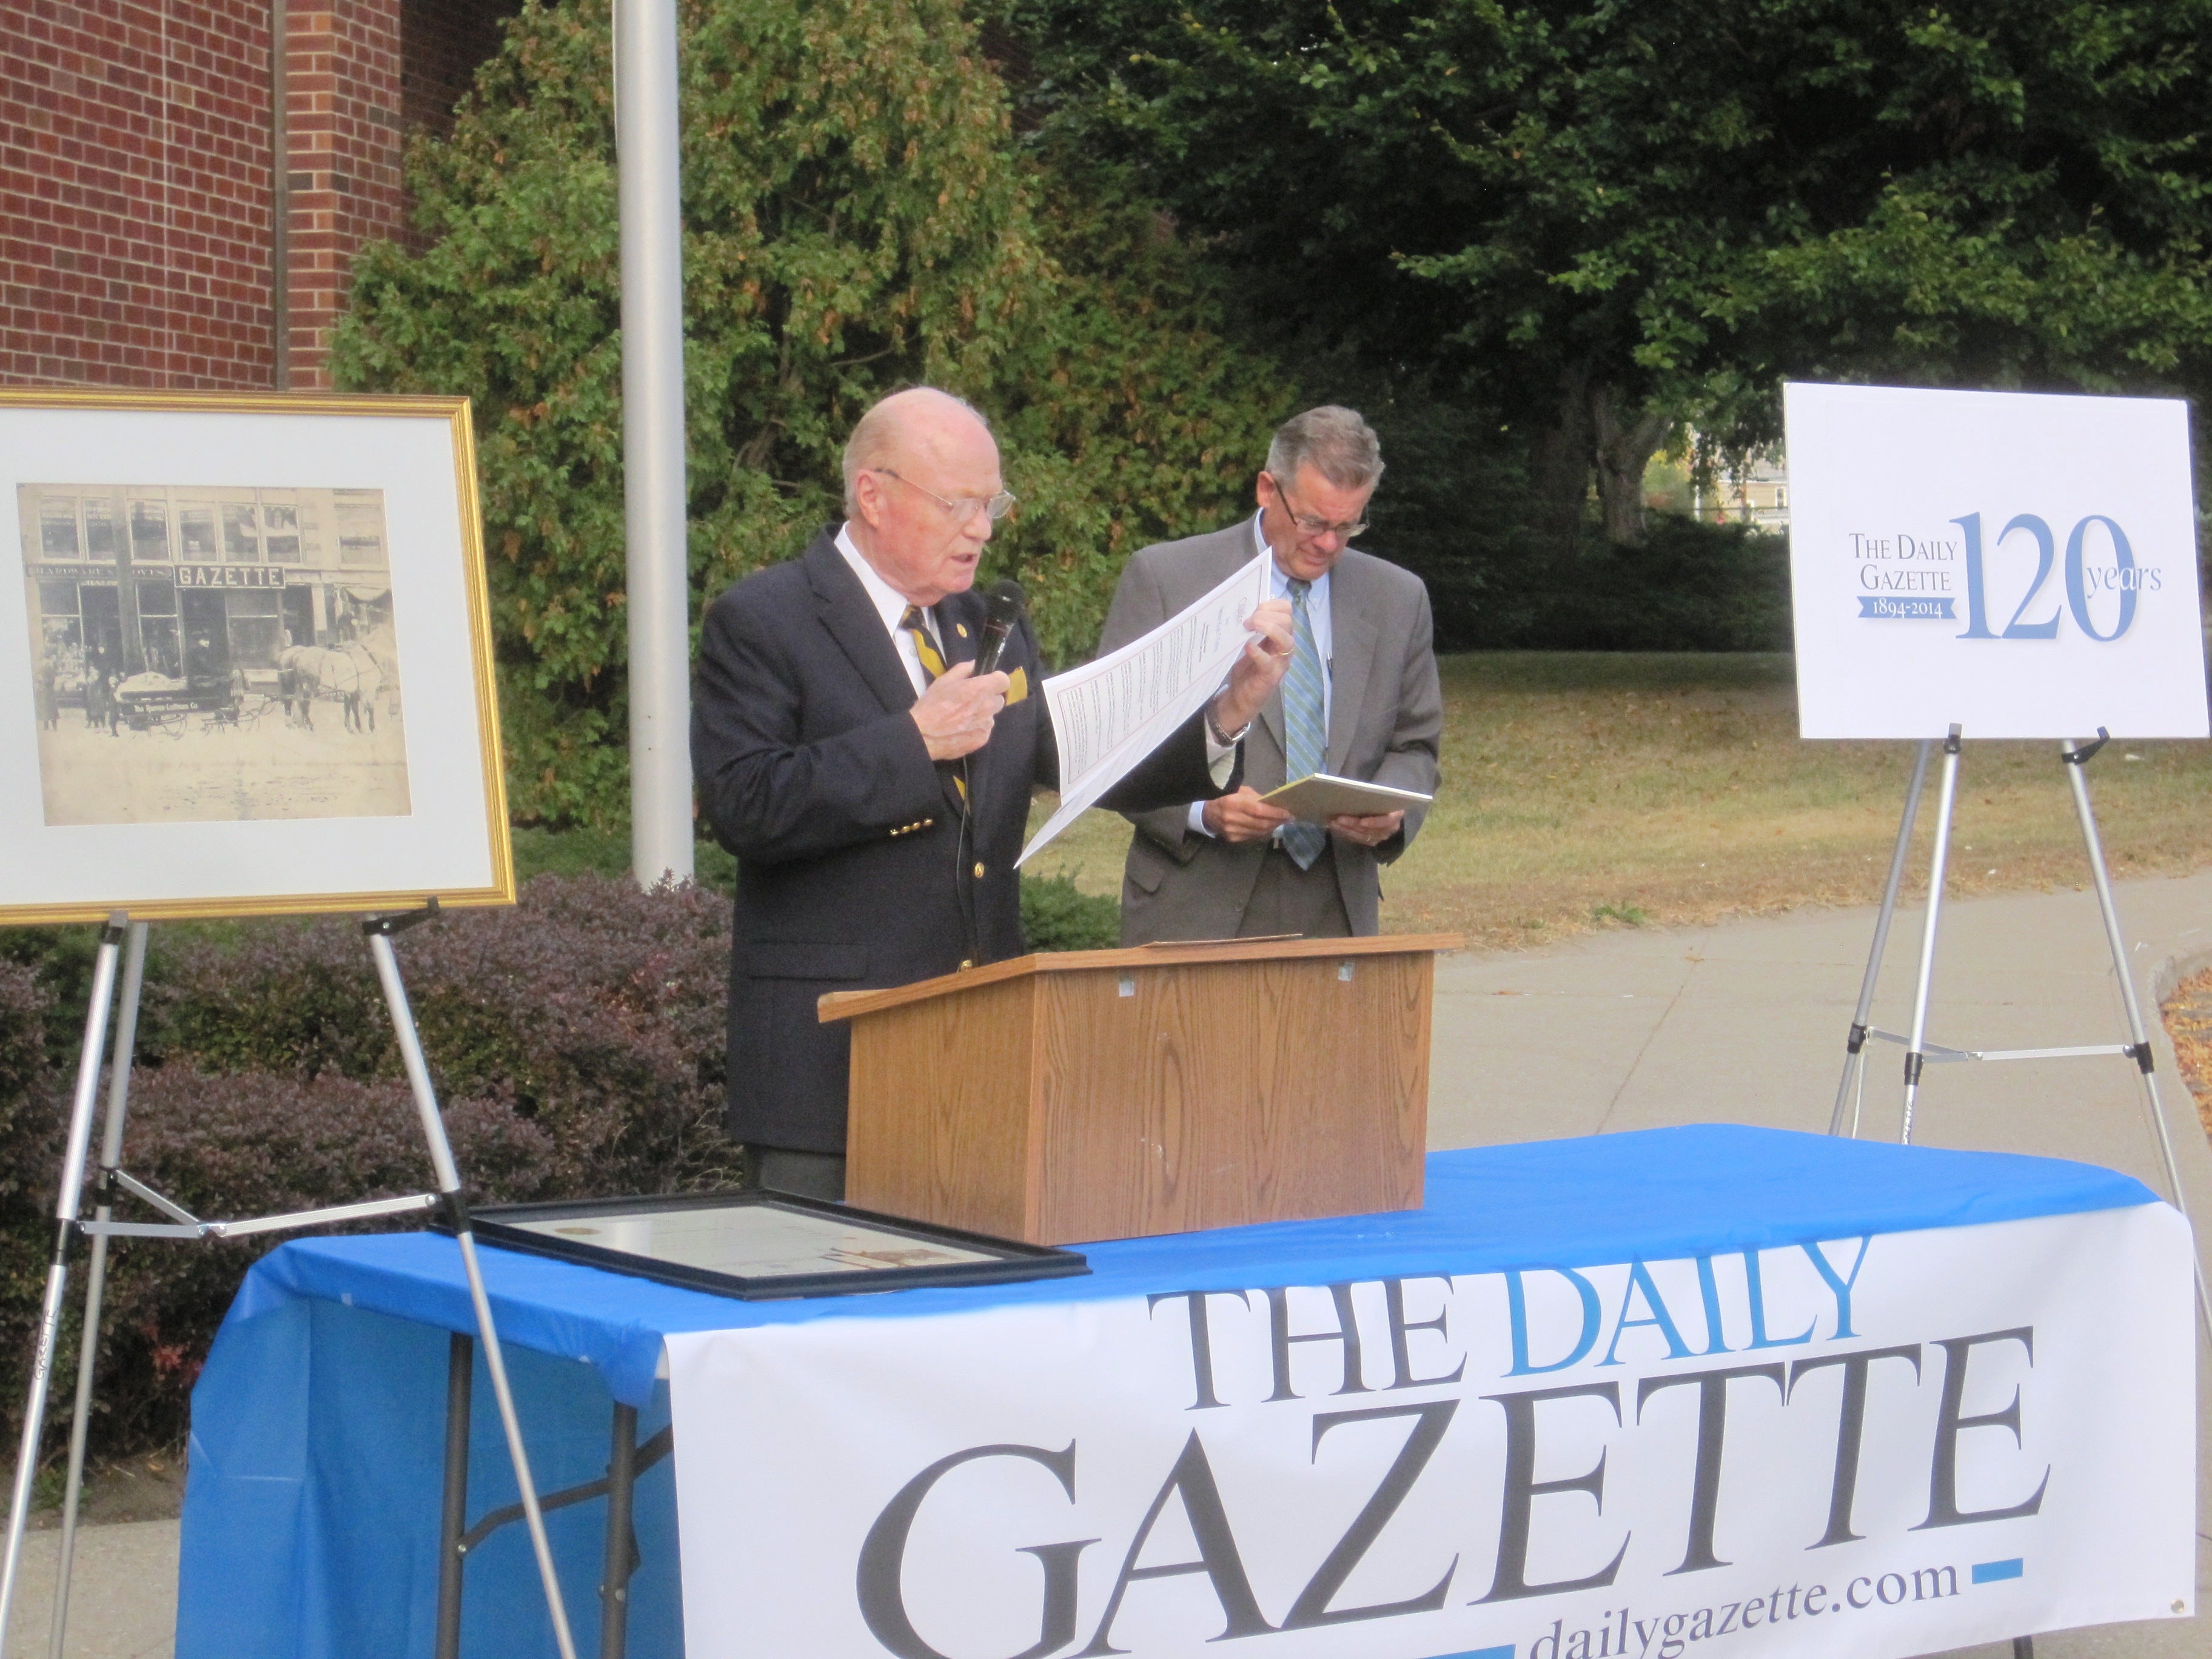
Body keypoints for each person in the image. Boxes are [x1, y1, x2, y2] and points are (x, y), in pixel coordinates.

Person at [692, 386, 1293, 1198]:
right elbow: (743, 803)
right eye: (959, 504)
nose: (982, 528)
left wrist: (1226, 713)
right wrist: (912, 743)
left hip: (982, 1052)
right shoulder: (764, 618)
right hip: (829, 1067)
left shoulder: (988, 623)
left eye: (992, 504)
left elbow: (1070, 760)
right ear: (873, 494)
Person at [1098, 405, 1441, 942]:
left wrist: (1389, 810)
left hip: (1338, 905)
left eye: (1348, 525)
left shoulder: (1398, 598)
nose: (1328, 544)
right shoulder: (1168, 580)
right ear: (1266, 489)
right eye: (1313, 522)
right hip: (1196, 902)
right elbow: (1108, 750)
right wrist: (1201, 811)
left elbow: (1416, 746)